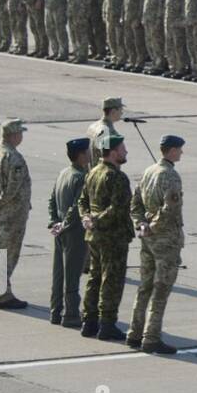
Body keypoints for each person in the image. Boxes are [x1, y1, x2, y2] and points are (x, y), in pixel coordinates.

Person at [126, 135, 185, 355]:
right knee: (161, 289)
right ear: (170, 151)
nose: (181, 153)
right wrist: (153, 225)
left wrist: (141, 224)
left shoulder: (148, 171)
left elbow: (135, 203)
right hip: (165, 239)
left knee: (145, 286)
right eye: (179, 150)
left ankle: (134, 332)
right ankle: (151, 337)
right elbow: (171, 209)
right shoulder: (171, 176)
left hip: (148, 239)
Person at [80, 132, 134, 341]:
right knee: (111, 279)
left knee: (95, 277)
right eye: (122, 149)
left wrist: (87, 218)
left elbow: (82, 200)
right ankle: (107, 323)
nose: (125, 151)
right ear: (113, 153)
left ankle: (89, 321)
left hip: (93, 236)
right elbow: (118, 208)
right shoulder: (117, 177)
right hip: (113, 236)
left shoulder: (92, 172)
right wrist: (97, 220)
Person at [0, 118, 32, 308]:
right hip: (12, 214)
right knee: (7, 254)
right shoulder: (13, 157)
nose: (21, 137)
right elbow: (12, 189)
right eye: (20, 133)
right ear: (14, 135)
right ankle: (2, 295)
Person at [47, 137, 91, 328]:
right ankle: (71, 313)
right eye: (88, 151)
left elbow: (52, 201)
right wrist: (64, 224)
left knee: (59, 273)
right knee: (72, 274)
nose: (90, 154)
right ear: (81, 155)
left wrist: (54, 222)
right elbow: (76, 207)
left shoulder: (63, 173)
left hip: (60, 230)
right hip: (73, 232)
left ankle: (56, 311)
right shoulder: (81, 177)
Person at [86, 97, 124, 166]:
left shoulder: (92, 126)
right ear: (113, 111)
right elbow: (106, 157)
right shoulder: (106, 131)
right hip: (103, 172)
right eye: (120, 110)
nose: (122, 113)